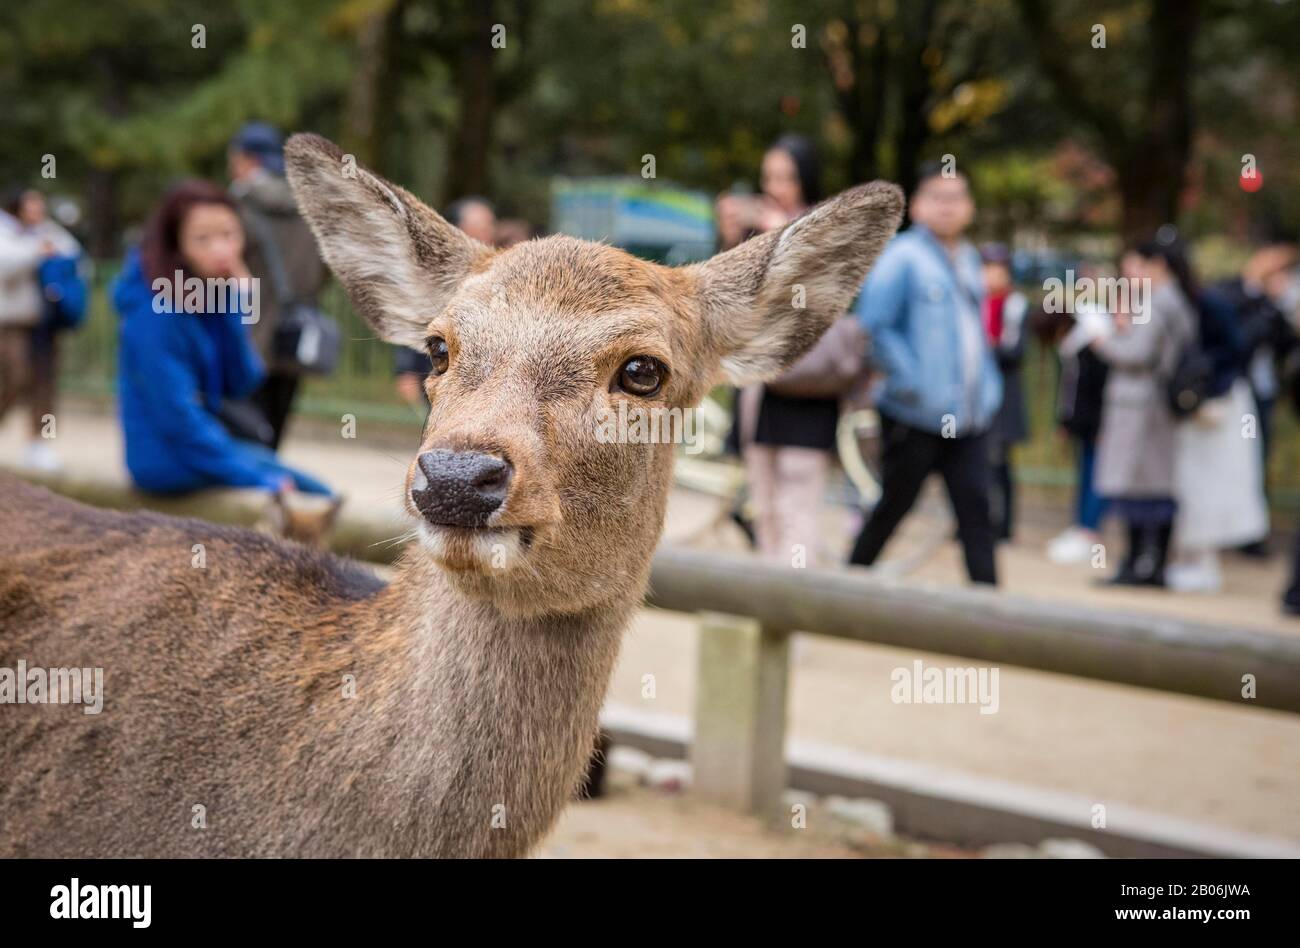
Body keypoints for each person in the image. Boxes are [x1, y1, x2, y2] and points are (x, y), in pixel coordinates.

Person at [113, 180, 332, 497]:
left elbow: (243, 380)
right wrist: (251, 477)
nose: (221, 250)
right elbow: (177, 418)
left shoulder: (209, 294)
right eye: (202, 239)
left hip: (207, 447)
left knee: (318, 493)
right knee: (312, 496)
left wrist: (237, 304)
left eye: (229, 235)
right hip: (167, 459)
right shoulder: (155, 312)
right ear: (176, 245)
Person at [848, 162, 1002, 585]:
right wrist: (909, 380)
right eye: (938, 197)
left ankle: (988, 606)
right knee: (895, 504)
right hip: (916, 414)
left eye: (957, 198)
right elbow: (874, 326)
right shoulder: (902, 257)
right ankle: (850, 582)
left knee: (977, 508)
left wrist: (989, 389)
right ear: (917, 205)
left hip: (969, 415)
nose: (948, 207)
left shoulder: (970, 259)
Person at [717, 135, 842, 566]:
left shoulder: (826, 232)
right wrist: (734, 240)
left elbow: (814, 303)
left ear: (806, 178)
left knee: (798, 507)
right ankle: (769, 607)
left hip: (807, 387)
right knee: (764, 506)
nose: (776, 185)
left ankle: (794, 610)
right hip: (760, 388)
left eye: (787, 176)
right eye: (769, 176)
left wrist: (781, 237)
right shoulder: (754, 237)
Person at [1087, 237, 1196, 587]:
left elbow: (1137, 353)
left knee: (1140, 485)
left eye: (1139, 265)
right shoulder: (1174, 299)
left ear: (1157, 265)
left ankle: (1138, 565)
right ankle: (1148, 565)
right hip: (1151, 404)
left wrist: (1105, 341)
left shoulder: (1159, 302)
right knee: (1151, 484)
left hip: (1142, 404)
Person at [228, 122, 327, 449]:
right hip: (296, 332)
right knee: (275, 428)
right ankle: (271, 487)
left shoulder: (237, 205)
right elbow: (326, 268)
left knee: (240, 426)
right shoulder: (311, 207)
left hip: (246, 332)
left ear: (246, 159)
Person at [0, 188, 81, 472]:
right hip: (11, 324)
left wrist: (48, 245)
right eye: (31, 205)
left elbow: (74, 255)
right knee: (15, 377)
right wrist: (37, 251)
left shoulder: (48, 231)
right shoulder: (5, 232)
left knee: (45, 384)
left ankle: (39, 443)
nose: (37, 210)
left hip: (45, 323)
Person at [395, 196, 497, 409]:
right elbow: (416, 319)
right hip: (439, 372)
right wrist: (406, 371)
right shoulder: (437, 277)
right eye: (480, 225)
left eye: (490, 225)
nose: (488, 232)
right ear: (457, 230)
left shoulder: (499, 275)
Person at [1045, 267, 1111, 564]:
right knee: (1086, 474)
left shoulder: (1095, 344)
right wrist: (1066, 422)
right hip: (1084, 425)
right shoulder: (1076, 344)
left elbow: (1096, 391)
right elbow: (1071, 391)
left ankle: (1089, 531)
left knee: (1097, 476)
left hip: (1099, 425)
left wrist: (1099, 424)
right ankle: (1081, 526)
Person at [979, 243, 1028, 541]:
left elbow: (1015, 351)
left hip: (1004, 396)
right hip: (977, 394)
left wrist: (985, 348)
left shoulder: (1015, 305)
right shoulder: (975, 301)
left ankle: (1004, 526)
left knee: (1000, 464)